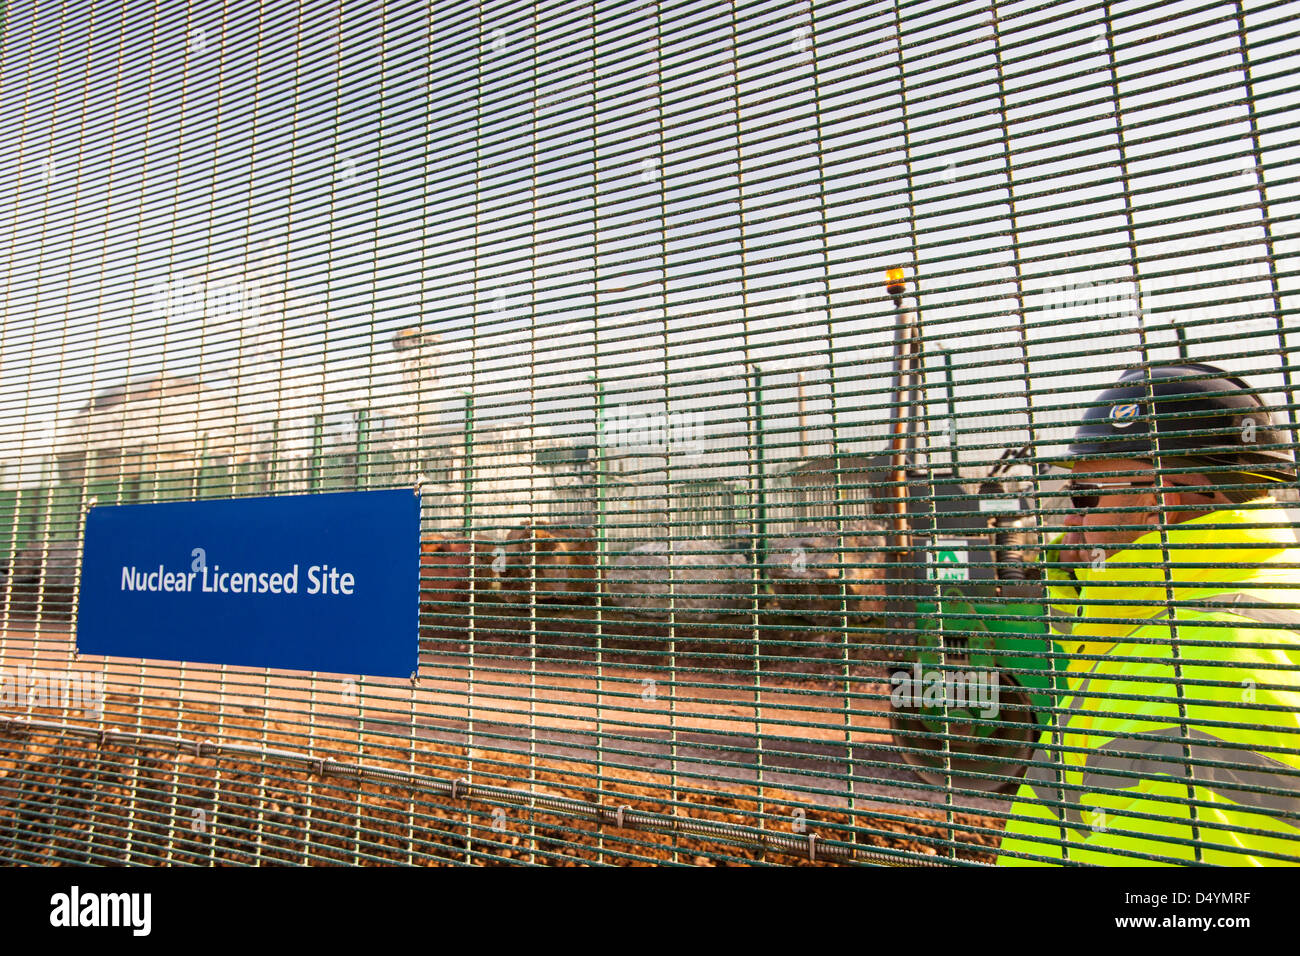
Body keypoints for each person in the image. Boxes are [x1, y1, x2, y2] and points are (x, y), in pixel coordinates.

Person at [996, 363, 1300, 865]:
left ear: (1159, 503)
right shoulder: (1233, 617)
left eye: (1083, 497)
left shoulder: (1195, 663)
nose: (1070, 524)